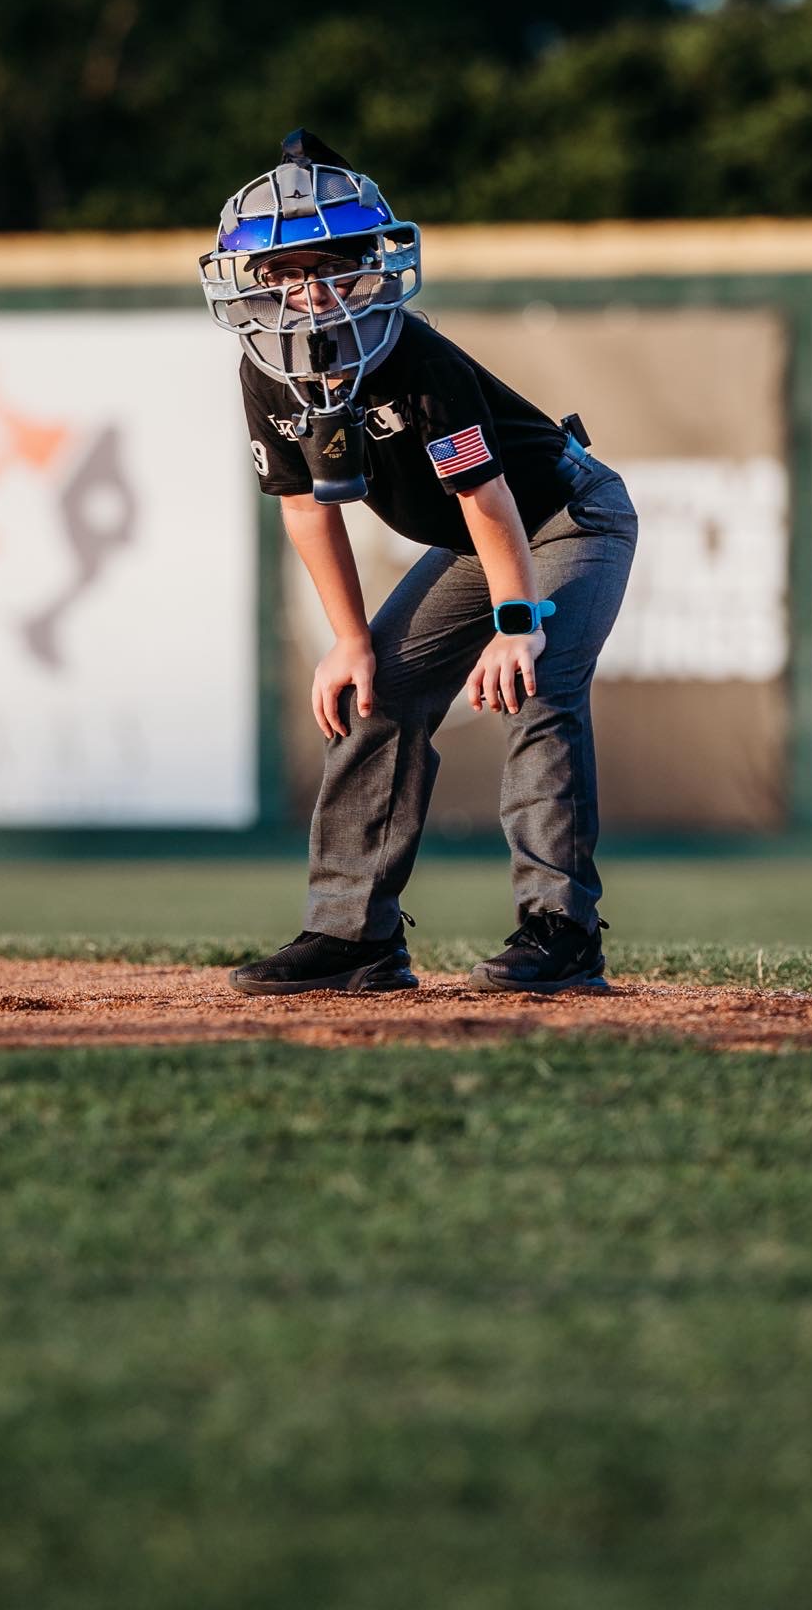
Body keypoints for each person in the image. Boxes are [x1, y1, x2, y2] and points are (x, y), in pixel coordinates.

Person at [199, 129, 637, 995]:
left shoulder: (414, 357)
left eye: (329, 266)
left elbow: (487, 499)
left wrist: (517, 623)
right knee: (376, 694)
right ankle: (352, 936)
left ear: (373, 264)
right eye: (285, 271)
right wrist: (349, 639)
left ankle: (561, 930)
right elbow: (304, 506)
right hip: (479, 545)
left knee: (537, 683)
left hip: (565, 518)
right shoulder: (266, 371)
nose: (307, 291)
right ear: (250, 282)